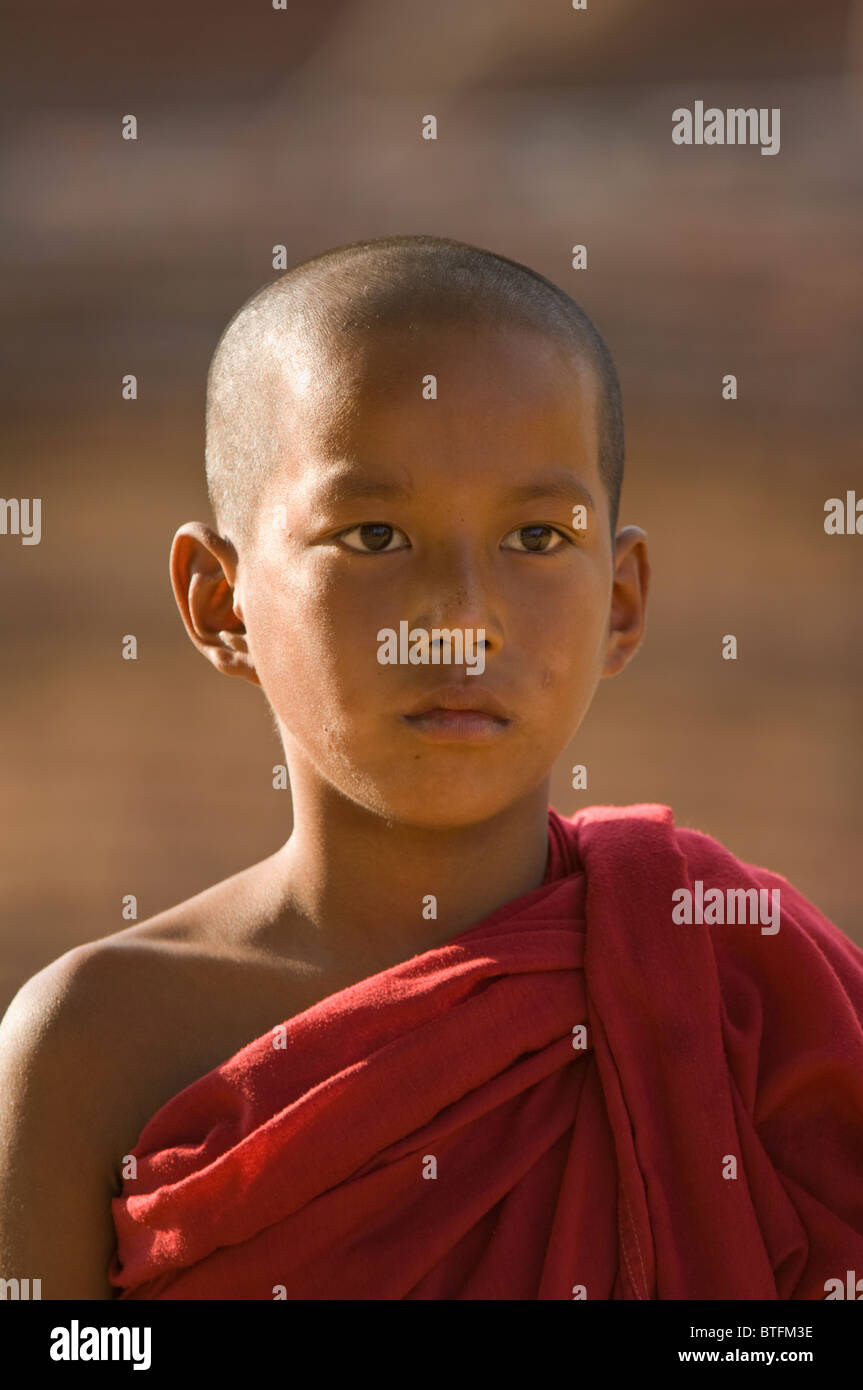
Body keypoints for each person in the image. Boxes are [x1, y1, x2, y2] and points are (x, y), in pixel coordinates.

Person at [1, 234, 861, 1300]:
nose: (458, 622)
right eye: (372, 536)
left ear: (621, 601)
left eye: (537, 538)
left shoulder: (737, 986)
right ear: (219, 602)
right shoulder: (96, 1040)